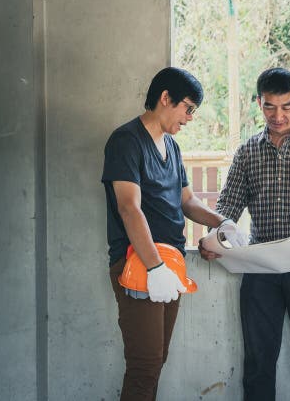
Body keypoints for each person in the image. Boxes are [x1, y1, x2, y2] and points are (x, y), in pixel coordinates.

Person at [199, 67, 290, 401]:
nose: (277, 116)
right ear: (258, 103)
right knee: (258, 363)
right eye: (269, 107)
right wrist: (213, 238)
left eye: (286, 107)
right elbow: (228, 207)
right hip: (260, 270)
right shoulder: (247, 152)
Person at [102, 67, 247, 401]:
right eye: (188, 108)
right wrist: (153, 268)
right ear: (165, 98)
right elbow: (129, 208)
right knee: (144, 365)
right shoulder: (126, 141)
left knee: (157, 361)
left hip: (171, 266)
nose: (190, 118)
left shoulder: (172, 147)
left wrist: (222, 222)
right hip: (138, 263)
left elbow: (187, 201)